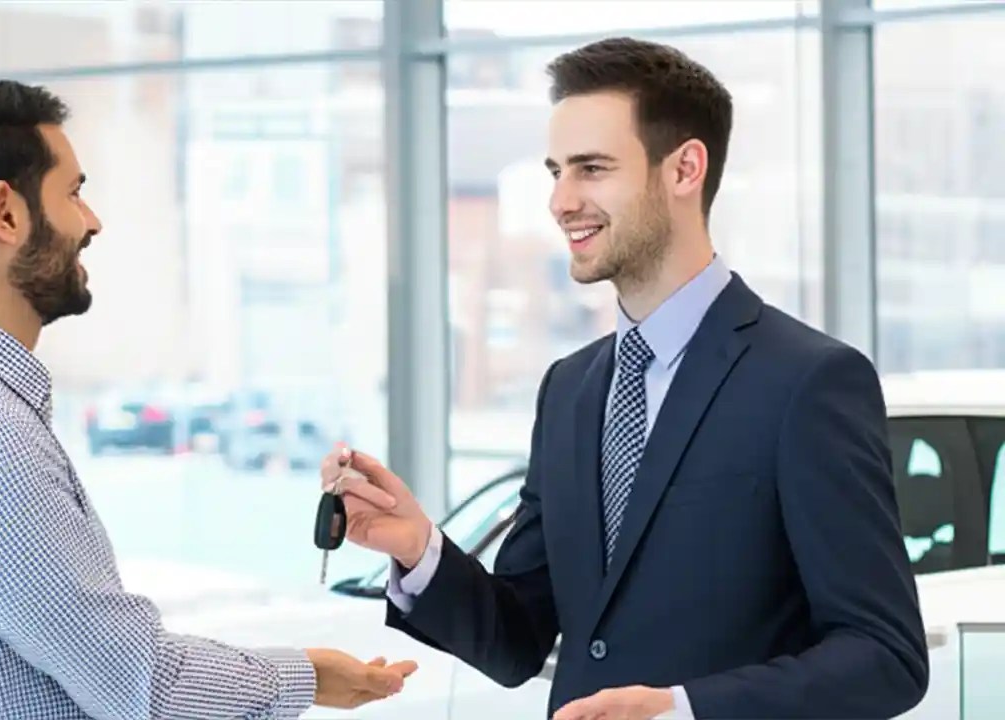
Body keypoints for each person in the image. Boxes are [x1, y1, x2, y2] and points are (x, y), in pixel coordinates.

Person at [322, 37, 928, 720]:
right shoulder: (569, 390)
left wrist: (683, 709)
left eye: (591, 169)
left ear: (685, 169)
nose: (560, 201)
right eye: (556, 171)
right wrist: (418, 547)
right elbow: (520, 638)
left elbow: (886, 656)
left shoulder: (808, 382)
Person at [0, 80, 416, 720]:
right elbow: (140, 685)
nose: (92, 222)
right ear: (6, 213)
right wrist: (305, 675)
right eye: (72, 193)